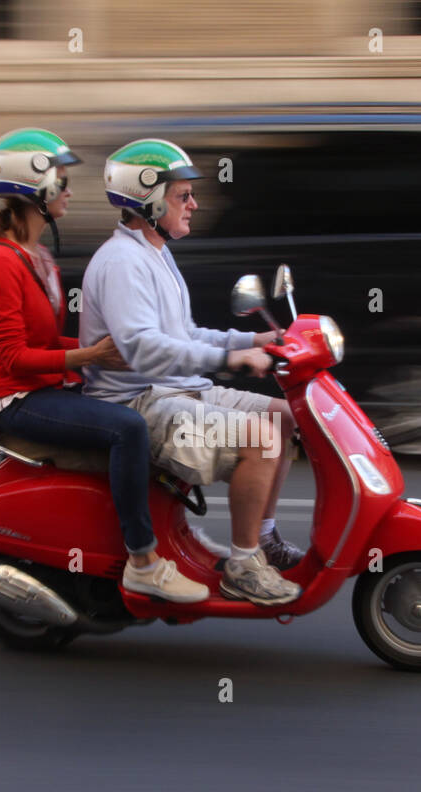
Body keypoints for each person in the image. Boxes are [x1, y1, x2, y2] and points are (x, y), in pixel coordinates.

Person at [0, 128, 207, 603]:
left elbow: (46, 341)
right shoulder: (1, 262)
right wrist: (91, 356)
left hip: (45, 389)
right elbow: (13, 357)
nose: (69, 191)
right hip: (14, 400)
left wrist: (101, 350)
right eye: (61, 181)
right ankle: (143, 561)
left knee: (147, 412)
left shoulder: (39, 257)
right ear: (31, 188)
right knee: (127, 428)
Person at [81, 138, 303, 607]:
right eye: (183, 196)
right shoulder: (122, 263)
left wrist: (252, 342)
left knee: (287, 416)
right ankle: (243, 568)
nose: (194, 204)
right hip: (143, 402)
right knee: (260, 440)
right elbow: (144, 350)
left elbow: (185, 333)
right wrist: (228, 361)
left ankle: (262, 539)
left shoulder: (155, 252)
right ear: (149, 199)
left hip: (182, 390)